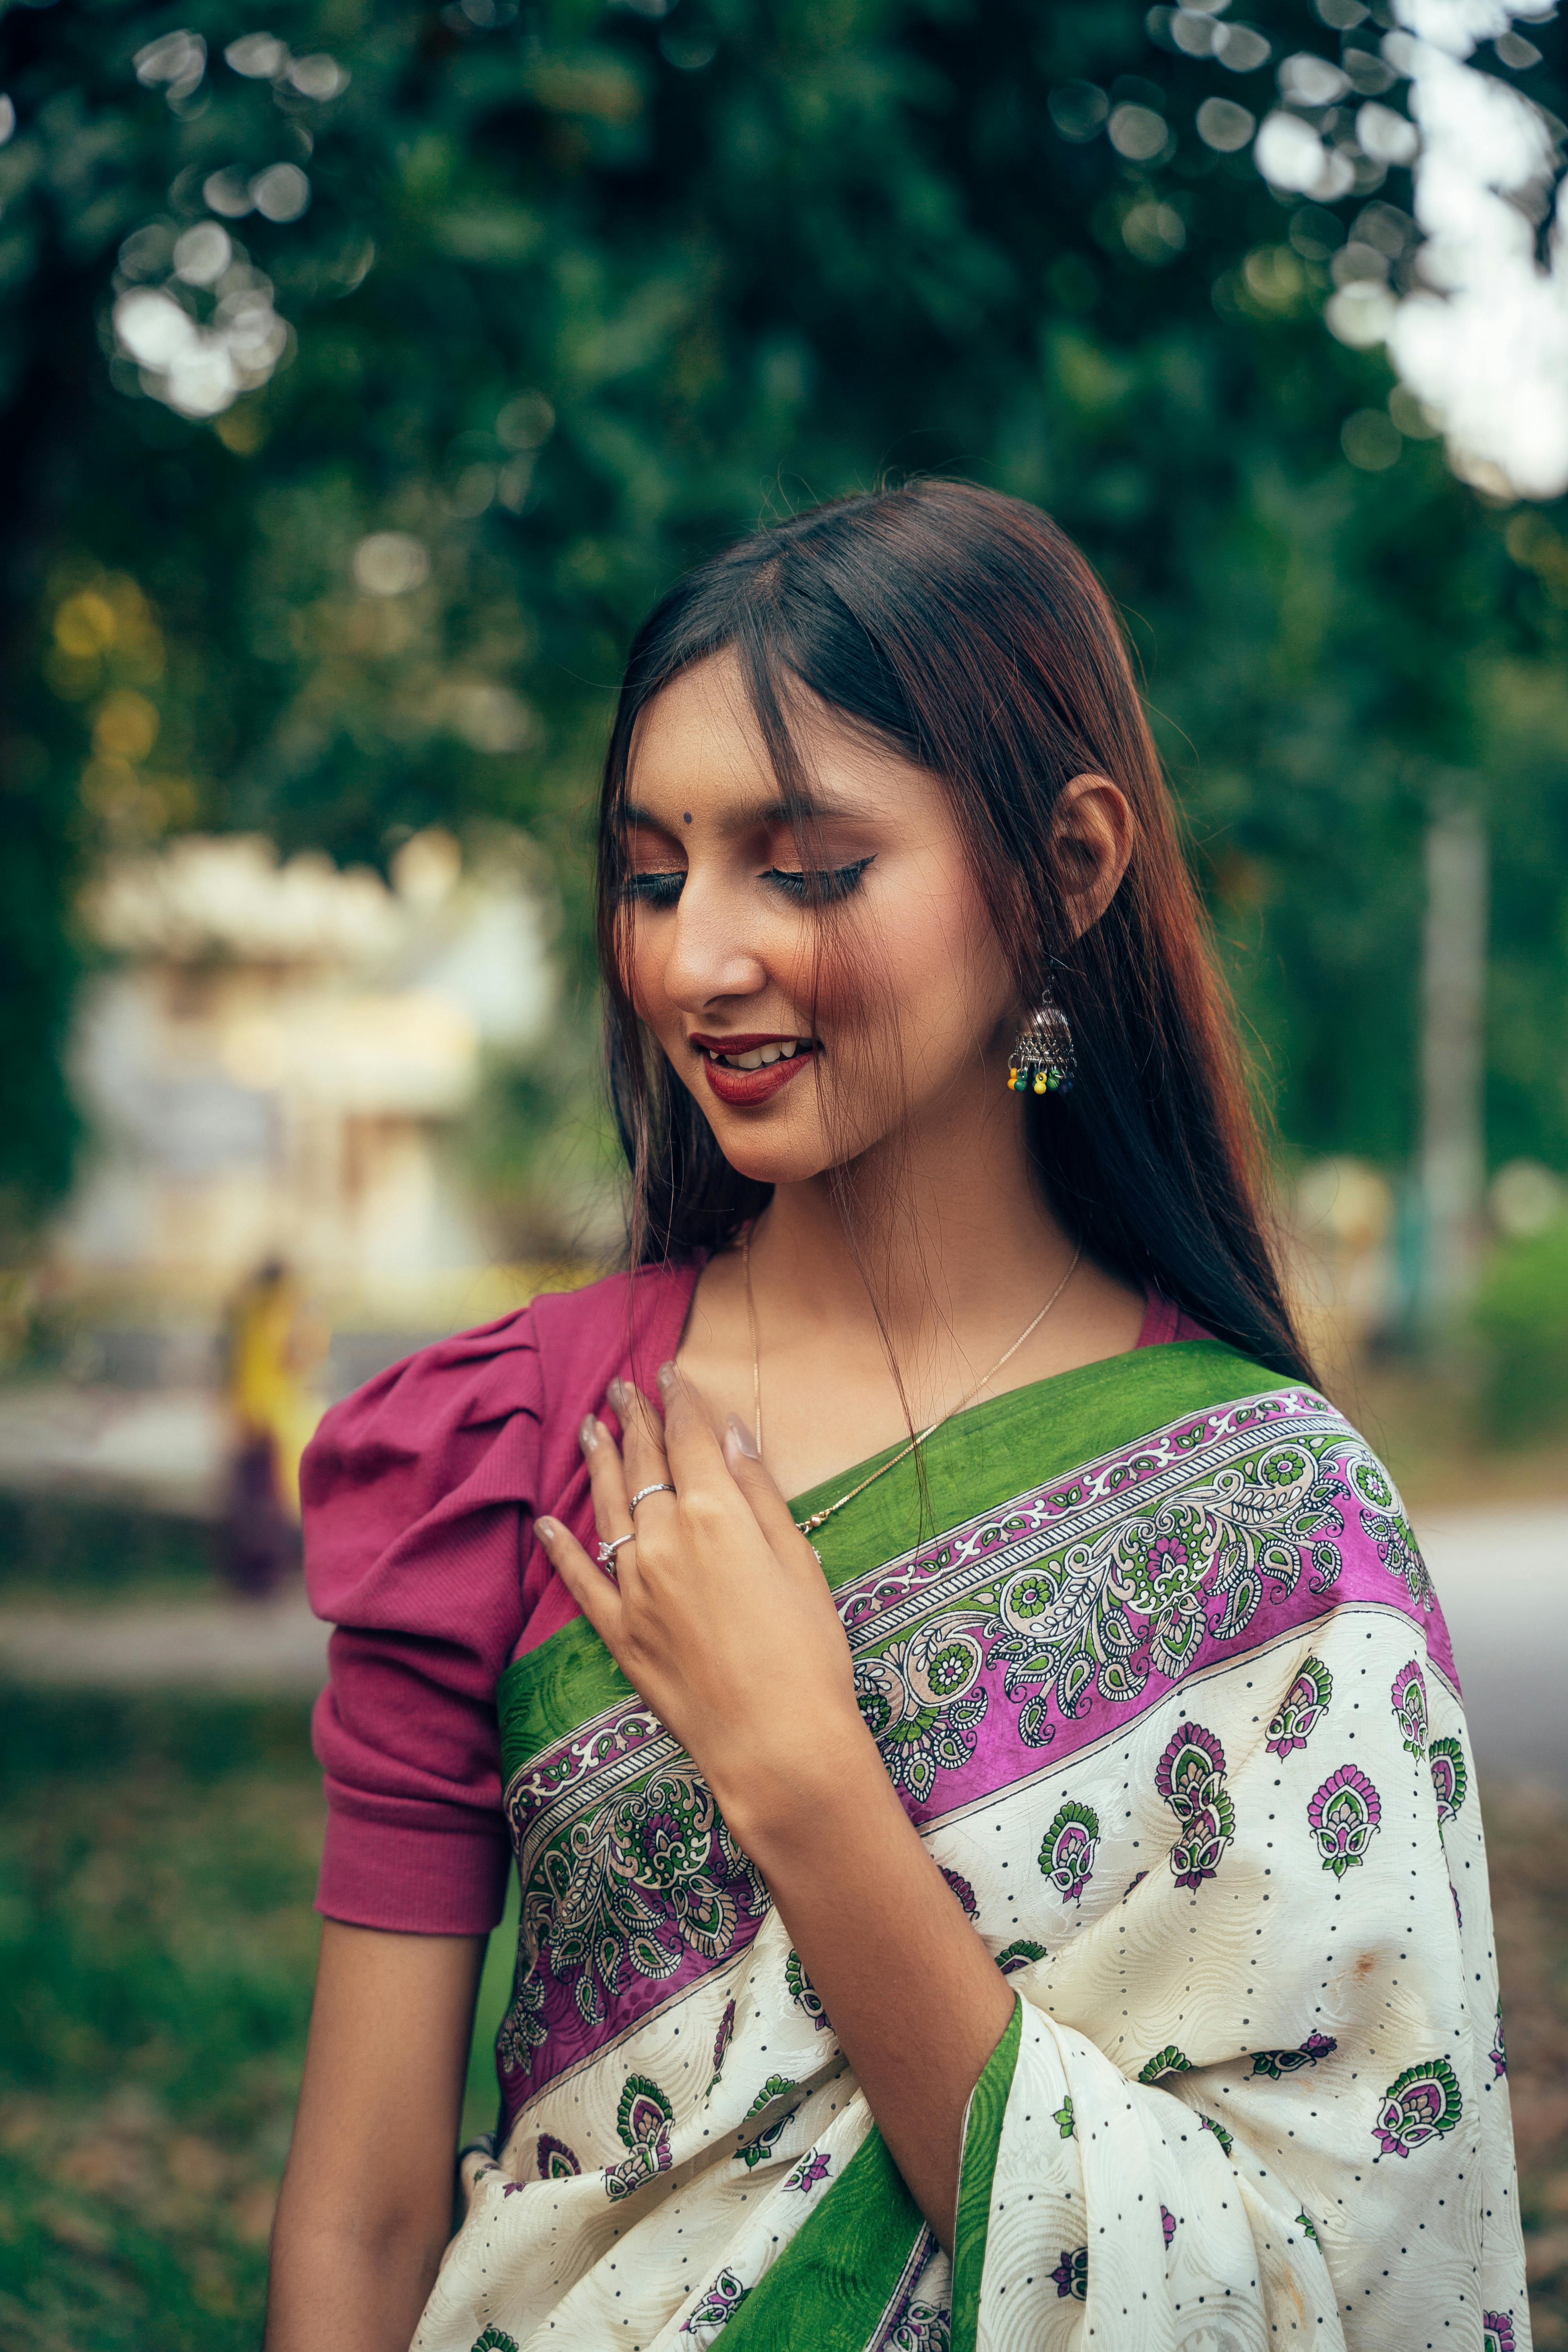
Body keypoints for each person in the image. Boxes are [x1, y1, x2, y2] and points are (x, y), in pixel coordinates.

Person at [265, 483, 1527, 2352]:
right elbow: (363, 2220)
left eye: (804, 865)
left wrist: (799, 1774)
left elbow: (1345, 2256)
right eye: (650, 871)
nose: (697, 958)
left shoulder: (1278, 1520)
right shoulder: (502, 1448)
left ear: (1065, 866)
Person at [218, 1258, 323, 1598]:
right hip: (274, 1418)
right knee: (269, 1501)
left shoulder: (244, 1313)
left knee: (252, 1500)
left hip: (250, 1415)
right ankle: (264, 1577)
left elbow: (231, 1369)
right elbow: (299, 1359)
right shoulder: (280, 1314)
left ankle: (253, 1577)